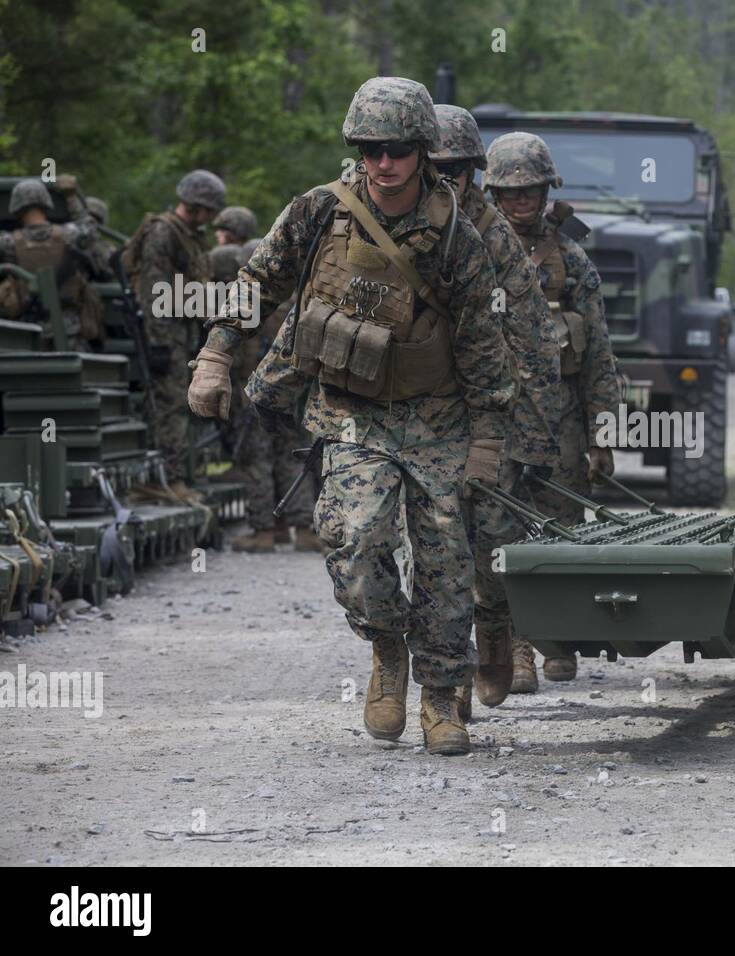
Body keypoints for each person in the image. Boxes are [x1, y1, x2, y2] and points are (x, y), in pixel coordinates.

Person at [186, 76, 515, 755]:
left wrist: (487, 436)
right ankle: (387, 648)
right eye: (369, 148)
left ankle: (440, 698)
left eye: (395, 149)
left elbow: (482, 338)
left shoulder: (456, 234)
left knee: (448, 567)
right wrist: (216, 355)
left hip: (438, 418)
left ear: (422, 150)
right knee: (357, 548)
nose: (382, 163)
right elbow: (257, 282)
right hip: (354, 416)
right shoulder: (318, 213)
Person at [430, 103, 561, 708]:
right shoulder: (396, 224)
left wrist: (533, 434)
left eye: (458, 168)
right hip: (420, 413)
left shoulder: (496, 239)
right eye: (436, 165)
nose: (446, 178)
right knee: (433, 548)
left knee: (492, 546)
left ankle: (496, 633)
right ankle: (445, 683)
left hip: (490, 418)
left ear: (473, 172)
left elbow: (535, 340)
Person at [484, 131, 621, 684]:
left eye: (531, 192)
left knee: (563, 529)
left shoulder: (571, 257)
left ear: (547, 190)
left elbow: (600, 356)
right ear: (493, 194)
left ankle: (557, 637)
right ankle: (514, 646)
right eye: (511, 194)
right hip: (495, 420)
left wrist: (602, 435)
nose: (522, 202)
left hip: (560, 419)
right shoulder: (473, 249)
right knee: (498, 532)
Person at [122, 168, 226, 486]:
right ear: (193, 205)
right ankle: (169, 481)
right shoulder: (163, 233)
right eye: (207, 210)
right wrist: (159, 344)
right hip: (166, 335)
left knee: (184, 407)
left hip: (184, 331)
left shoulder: (188, 235)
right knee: (169, 409)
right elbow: (155, 292)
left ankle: (181, 476)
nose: (209, 218)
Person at [0, 176, 104, 350]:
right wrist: (71, 197)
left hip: (27, 333)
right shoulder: (70, 235)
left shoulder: (8, 243)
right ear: (45, 203)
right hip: (69, 330)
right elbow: (91, 230)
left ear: (16, 208)